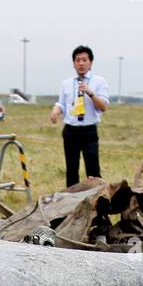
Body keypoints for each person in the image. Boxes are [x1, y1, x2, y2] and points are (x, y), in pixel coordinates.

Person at [49, 45, 111, 186]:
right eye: (77, 60)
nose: (81, 63)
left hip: (89, 130)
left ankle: (98, 201)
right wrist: (55, 111)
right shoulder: (66, 83)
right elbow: (62, 103)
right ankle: (71, 201)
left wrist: (90, 92)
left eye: (84, 60)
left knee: (93, 170)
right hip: (71, 130)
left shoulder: (99, 82)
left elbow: (103, 106)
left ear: (90, 62)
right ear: (74, 63)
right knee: (71, 169)